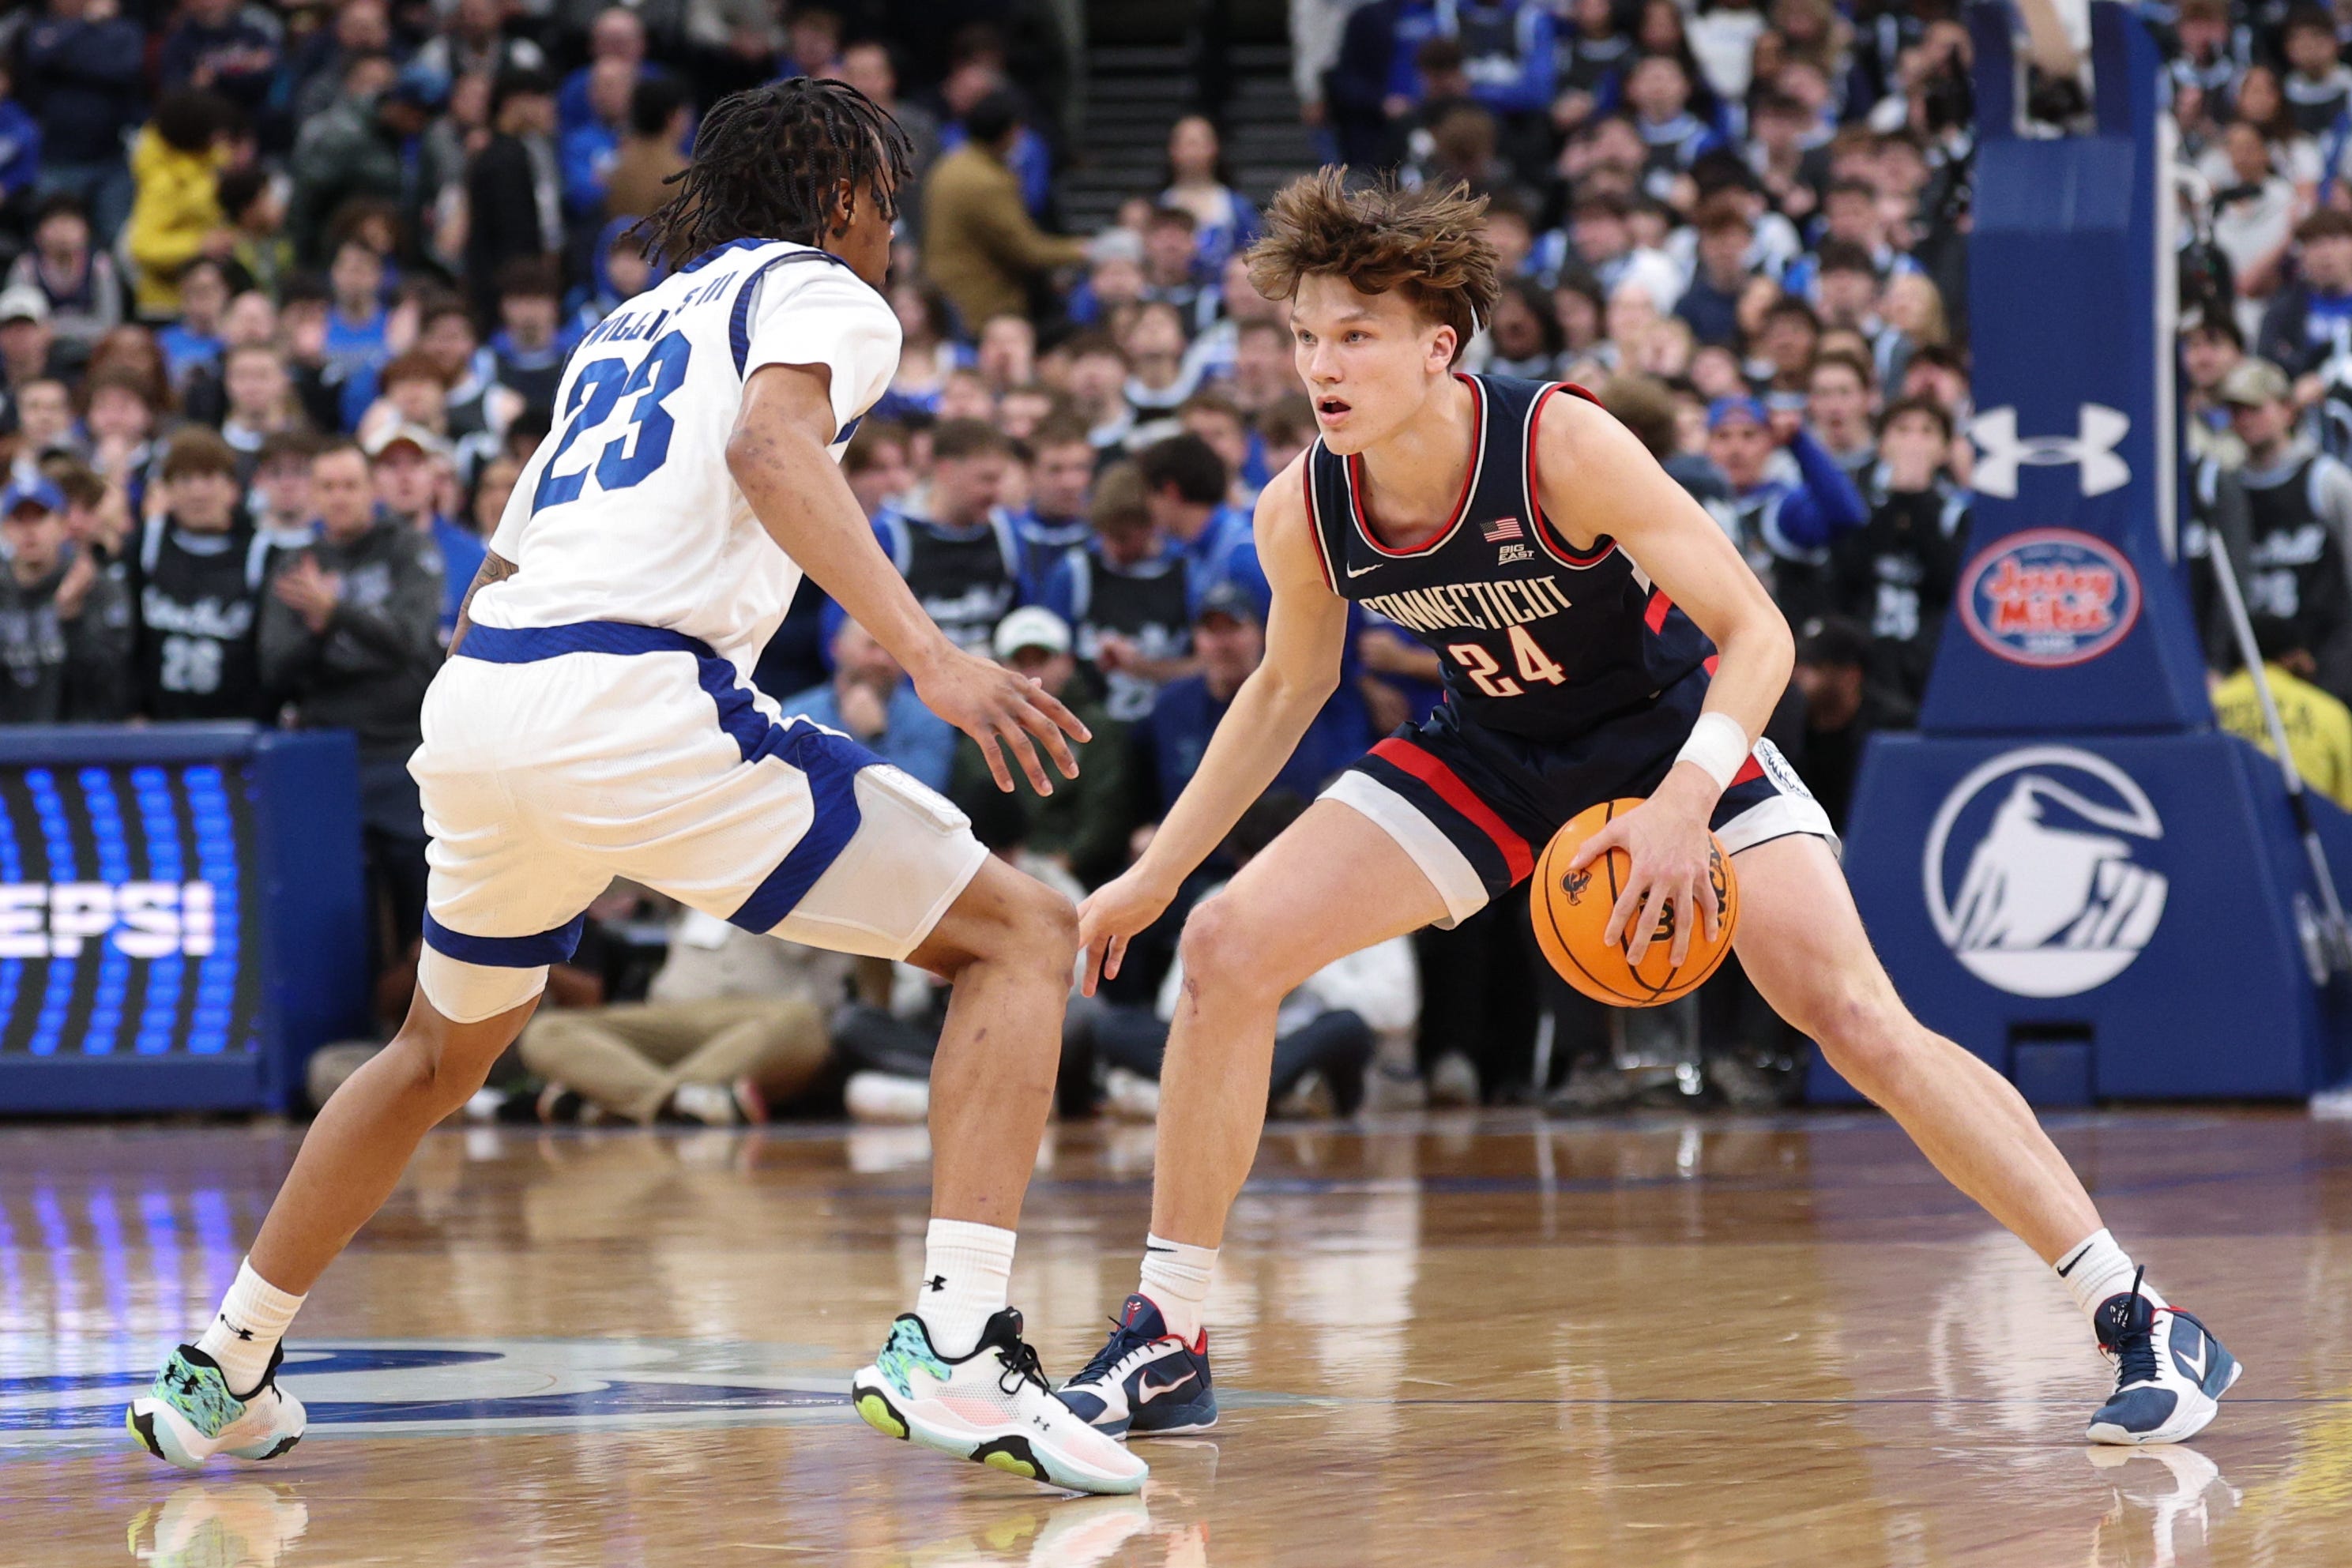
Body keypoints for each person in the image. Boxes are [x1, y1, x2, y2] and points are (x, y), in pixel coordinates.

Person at [1056, 173, 2239, 1450]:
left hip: (1677, 735)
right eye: (1303, 337)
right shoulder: (1305, 506)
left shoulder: (1557, 445)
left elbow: (1758, 633)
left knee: (1855, 1019)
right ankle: (1169, 1338)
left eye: (1354, 336)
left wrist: (1683, 799)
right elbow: (1287, 690)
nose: (1320, 366)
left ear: (1435, 345)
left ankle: (2137, 1312)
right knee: (1229, 950)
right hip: (1494, 750)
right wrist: (1160, 876)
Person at [125, 76, 1142, 1501]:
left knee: (432, 1057)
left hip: (481, 698)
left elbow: (497, 563)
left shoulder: (629, 325)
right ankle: (957, 1346)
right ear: (843, 199)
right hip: (628, 693)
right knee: (1020, 934)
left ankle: (223, 1365)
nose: (895, 237)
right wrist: (929, 657)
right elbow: (771, 447)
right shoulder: (826, 294)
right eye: (890, 206)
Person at [259, 438, 445, 976]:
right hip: (328, 756)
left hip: (404, 750)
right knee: (336, 907)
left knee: (422, 899)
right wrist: (319, 634)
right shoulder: (295, 565)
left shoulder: (409, 550)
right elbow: (274, 668)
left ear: (373, 490)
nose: (339, 497)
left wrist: (334, 611)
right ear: (312, 496)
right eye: (327, 487)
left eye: (350, 485)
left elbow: (409, 640)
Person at [126, 427, 273, 722]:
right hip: (158, 726)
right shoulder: (147, 544)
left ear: (233, 489)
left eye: (208, 478)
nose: (197, 492)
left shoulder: (261, 552)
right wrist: (132, 707)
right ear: (167, 490)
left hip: (236, 728)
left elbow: (270, 653)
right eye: (185, 479)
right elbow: (126, 641)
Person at [920, 89, 1089, 329]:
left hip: (947, 292)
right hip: (980, 302)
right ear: (1010, 132)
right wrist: (1083, 250)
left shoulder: (950, 164)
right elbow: (1025, 249)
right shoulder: (988, 182)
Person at [0, 474, 131, 724]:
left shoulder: (97, 587)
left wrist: (72, 618)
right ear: (5, 529)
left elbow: (110, 686)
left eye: (40, 517)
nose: (29, 530)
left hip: (75, 746)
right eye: (19, 519)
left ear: (62, 525)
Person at [783, 617, 959, 793]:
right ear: (836, 647)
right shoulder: (795, 715)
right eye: (871, 646)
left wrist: (876, 738)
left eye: (893, 652)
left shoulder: (929, 721)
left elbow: (925, 797)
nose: (882, 659)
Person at [2211, 613, 2352, 810]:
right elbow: (2347, 802)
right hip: (2310, 828)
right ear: (2289, 657)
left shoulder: (2210, 707)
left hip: (2233, 825)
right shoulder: (2328, 710)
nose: (2312, 664)